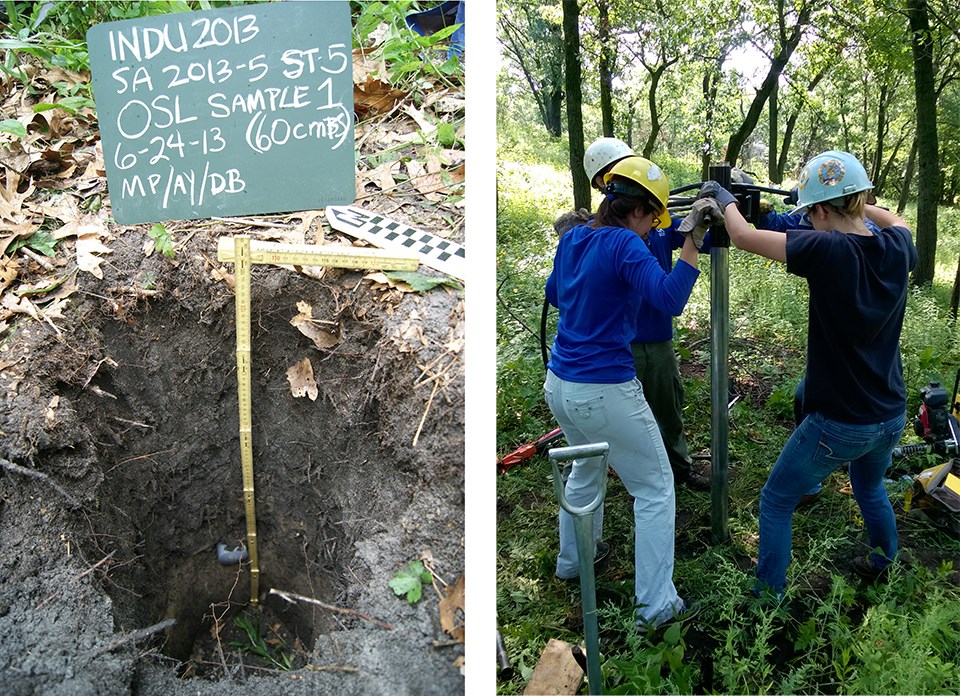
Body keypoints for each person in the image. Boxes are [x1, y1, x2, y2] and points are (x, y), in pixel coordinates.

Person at [702, 151, 917, 596]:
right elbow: (892, 217)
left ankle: (767, 597)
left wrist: (723, 199)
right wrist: (850, 199)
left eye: (810, 211)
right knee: (870, 486)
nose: (807, 220)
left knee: (776, 500)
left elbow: (742, 236)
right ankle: (884, 560)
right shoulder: (898, 246)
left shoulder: (826, 248)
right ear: (858, 199)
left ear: (819, 210)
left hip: (841, 421)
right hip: (891, 412)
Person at [544, 155, 702, 627]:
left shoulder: (575, 236)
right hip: (604, 388)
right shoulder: (625, 244)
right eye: (654, 220)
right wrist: (691, 239)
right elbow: (671, 299)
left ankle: (574, 560)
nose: (655, 230)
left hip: (560, 383)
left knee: (586, 469)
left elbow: (555, 293)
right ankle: (656, 606)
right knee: (655, 488)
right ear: (639, 211)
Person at [574, 137, 710, 490]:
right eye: (607, 181)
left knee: (667, 411)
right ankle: (638, 473)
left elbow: (703, 238)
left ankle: (678, 469)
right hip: (622, 346)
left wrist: (711, 223)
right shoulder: (602, 235)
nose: (614, 184)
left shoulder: (658, 223)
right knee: (626, 419)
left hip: (657, 338)